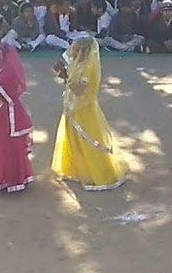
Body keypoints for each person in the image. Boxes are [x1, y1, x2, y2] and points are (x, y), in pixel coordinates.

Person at [51, 37, 128, 190]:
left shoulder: (88, 68)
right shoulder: (77, 64)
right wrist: (64, 74)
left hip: (84, 110)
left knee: (88, 141)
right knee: (75, 140)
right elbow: (72, 85)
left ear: (83, 51)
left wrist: (65, 76)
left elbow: (80, 91)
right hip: (73, 108)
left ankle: (99, 174)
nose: (72, 51)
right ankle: (77, 170)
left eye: (76, 49)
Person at [0, 44, 36, 193]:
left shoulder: (5, 74)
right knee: (3, 144)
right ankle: (10, 177)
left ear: (0, 57)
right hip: (1, 113)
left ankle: (11, 179)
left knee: (6, 146)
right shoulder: (2, 71)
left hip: (6, 115)